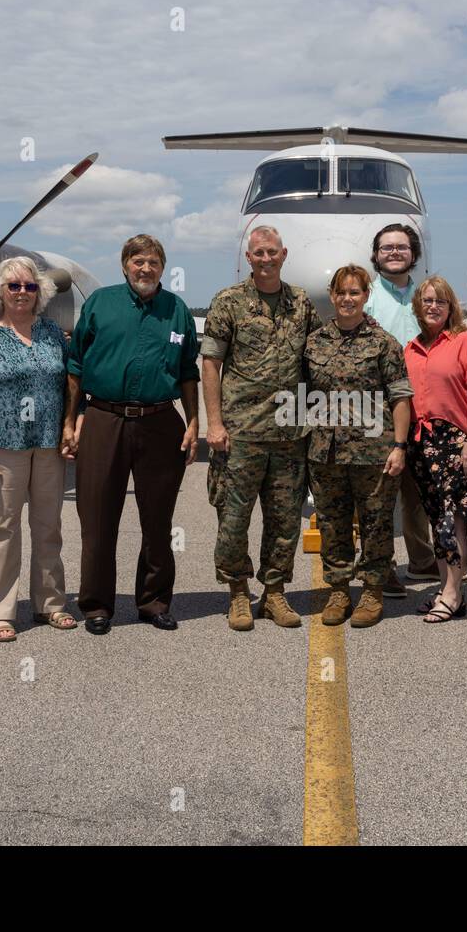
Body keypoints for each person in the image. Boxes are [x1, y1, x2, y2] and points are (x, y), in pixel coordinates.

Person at [63, 234, 200, 633]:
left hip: (161, 422)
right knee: (98, 516)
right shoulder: (100, 304)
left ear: (163, 267)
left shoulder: (177, 311)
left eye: (154, 262)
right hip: (105, 419)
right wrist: (71, 422)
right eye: (138, 261)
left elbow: (189, 371)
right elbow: (75, 367)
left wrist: (193, 422)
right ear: (125, 265)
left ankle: (154, 602)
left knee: (158, 519)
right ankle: (96, 605)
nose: (146, 268)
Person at [203, 226, 321, 631]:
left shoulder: (301, 302)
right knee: (233, 519)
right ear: (248, 257)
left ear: (284, 254)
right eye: (259, 253)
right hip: (241, 433)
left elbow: (317, 357)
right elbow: (211, 363)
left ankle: (274, 593)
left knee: (285, 521)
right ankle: (238, 591)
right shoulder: (229, 302)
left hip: (290, 434)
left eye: (273, 252)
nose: (266, 258)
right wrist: (214, 423)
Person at [0, 256, 74, 643]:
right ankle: (0, 611)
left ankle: (51, 604)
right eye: (14, 286)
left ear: (41, 293)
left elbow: (69, 383)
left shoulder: (53, 333)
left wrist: (71, 425)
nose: (22, 293)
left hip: (47, 446)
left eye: (30, 286)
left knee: (48, 527)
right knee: (1, 529)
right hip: (0, 448)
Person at [305, 264, 413, 629]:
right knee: (333, 524)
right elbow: (303, 395)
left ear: (366, 296)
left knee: (376, 523)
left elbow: (400, 397)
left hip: (373, 452)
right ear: (332, 296)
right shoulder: (315, 342)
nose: (348, 299)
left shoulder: (384, 343)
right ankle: (338, 589)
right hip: (326, 452)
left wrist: (399, 446)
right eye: (342, 292)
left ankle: (372, 590)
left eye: (355, 292)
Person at [403, 276, 467, 623]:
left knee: (454, 519)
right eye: (427, 300)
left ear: (451, 307)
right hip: (421, 442)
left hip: (456, 441)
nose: (433, 306)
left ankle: (455, 592)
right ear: (418, 306)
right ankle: (447, 587)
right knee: (437, 518)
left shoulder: (465, 342)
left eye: (440, 301)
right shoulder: (410, 348)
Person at [362, 222, 439, 592]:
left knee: (420, 492)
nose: (394, 253)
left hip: (425, 409)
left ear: (414, 254)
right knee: (380, 495)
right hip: (379, 411)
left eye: (402, 247)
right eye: (386, 247)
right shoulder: (368, 296)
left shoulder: (428, 296)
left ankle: (423, 562)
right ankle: (382, 567)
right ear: (376, 255)